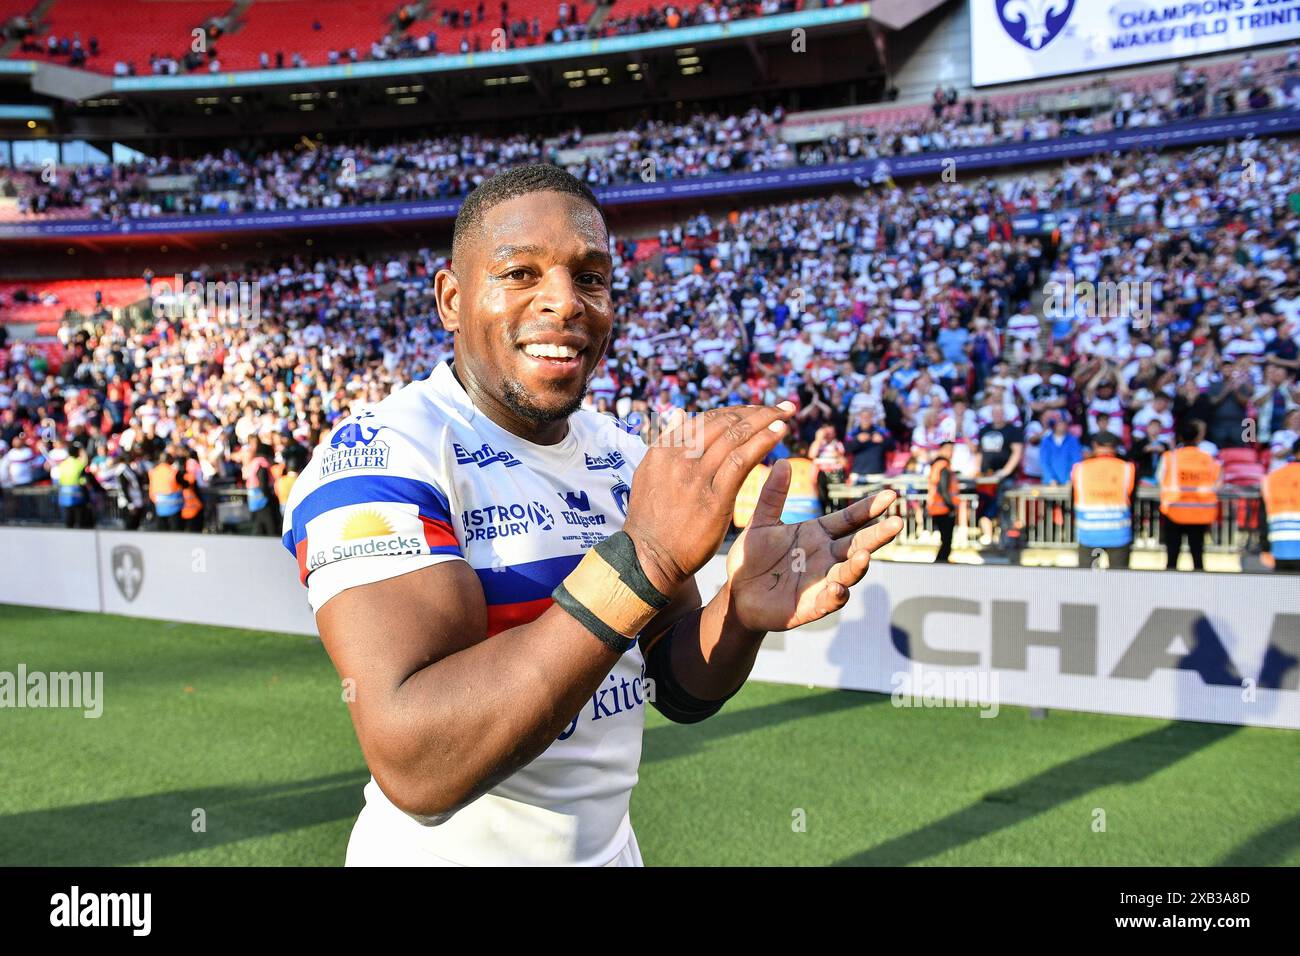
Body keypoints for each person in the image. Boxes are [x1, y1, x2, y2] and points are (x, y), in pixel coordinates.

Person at [280, 165, 903, 867]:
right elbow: (420, 766)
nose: (565, 302)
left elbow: (675, 684)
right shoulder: (379, 459)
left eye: (591, 276)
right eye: (520, 273)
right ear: (451, 299)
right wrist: (644, 561)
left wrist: (738, 614)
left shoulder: (622, 454)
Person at [1157, 420, 1222, 571]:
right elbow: (1218, 483)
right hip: (1200, 514)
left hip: (1173, 512)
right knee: (1198, 556)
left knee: (1172, 557)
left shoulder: (1169, 458)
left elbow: (1160, 479)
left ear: (1179, 437)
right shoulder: (1208, 459)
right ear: (1198, 438)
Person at [1071, 433, 1136, 569]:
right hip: (1118, 533)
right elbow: (1132, 498)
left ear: (1095, 445)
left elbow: (1074, 496)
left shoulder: (1080, 468)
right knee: (1119, 581)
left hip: (1089, 533)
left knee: (1088, 580)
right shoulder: (1126, 468)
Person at [1261, 438, 1300, 573]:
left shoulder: (1272, 478)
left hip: (1279, 548)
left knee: (1285, 592)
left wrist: (1265, 548)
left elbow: (1264, 515)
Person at [927, 439, 960, 563]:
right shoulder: (943, 466)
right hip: (943, 509)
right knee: (946, 541)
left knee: (945, 540)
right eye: (948, 450)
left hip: (938, 508)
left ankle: (941, 562)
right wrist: (951, 507)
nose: (950, 453)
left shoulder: (938, 465)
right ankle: (940, 564)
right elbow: (943, 488)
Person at [55, 442, 97, 529]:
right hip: (77, 494)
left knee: (69, 519)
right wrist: (82, 450)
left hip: (64, 494)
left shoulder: (62, 464)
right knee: (80, 518)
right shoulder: (79, 463)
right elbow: (86, 460)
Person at [243, 439, 280, 536]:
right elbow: (263, 484)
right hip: (263, 501)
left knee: (258, 529)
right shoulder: (262, 464)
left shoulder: (253, 463)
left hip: (254, 501)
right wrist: (269, 497)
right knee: (271, 528)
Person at [148, 452, 184, 532]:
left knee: (162, 534)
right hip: (174, 508)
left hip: (159, 506)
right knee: (175, 533)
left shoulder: (153, 471)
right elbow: (184, 483)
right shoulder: (173, 471)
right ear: (169, 460)